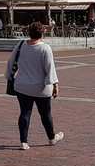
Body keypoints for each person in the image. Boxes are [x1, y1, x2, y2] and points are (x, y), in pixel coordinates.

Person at [5, 21, 64, 151]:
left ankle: (23, 142)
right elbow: (50, 68)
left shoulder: (21, 45)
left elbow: (10, 62)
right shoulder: (45, 48)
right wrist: (55, 84)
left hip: (22, 86)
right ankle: (51, 138)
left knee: (25, 113)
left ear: (29, 32)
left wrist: (9, 76)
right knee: (45, 114)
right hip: (41, 87)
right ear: (42, 33)